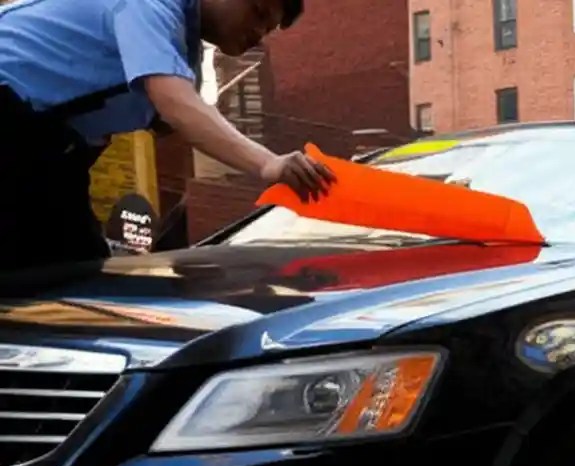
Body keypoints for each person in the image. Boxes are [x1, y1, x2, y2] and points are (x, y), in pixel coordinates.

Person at [0, 0, 336, 273]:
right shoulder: (150, 5)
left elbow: (181, 122)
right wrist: (268, 163)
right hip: (15, 121)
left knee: (75, 275)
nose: (258, 34)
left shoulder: (182, 49)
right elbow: (176, 104)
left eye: (268, 29)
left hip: (49, 152)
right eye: (257, 12)